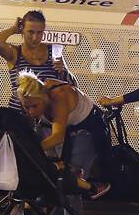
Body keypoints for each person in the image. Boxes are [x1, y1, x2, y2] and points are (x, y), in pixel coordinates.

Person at [17, 71, 109, 206]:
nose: (31, 111)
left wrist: (30, 150)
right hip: (59, 126)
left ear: (44, 99)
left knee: (71, 178)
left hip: (87, 127)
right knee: (46, 170)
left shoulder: (59, 99)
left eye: (34, 106)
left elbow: (57, 137)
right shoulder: (34, 93)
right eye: (26, 107)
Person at [0, 10, 73, 112]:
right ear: (22, 30)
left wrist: (65, 71)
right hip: (19, 114)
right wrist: (13, 29)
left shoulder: (53, 51)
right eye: (30, 32)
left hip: (46, 115)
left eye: (39, 32)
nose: (35, 38)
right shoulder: (15, 53)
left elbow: (72, 87)